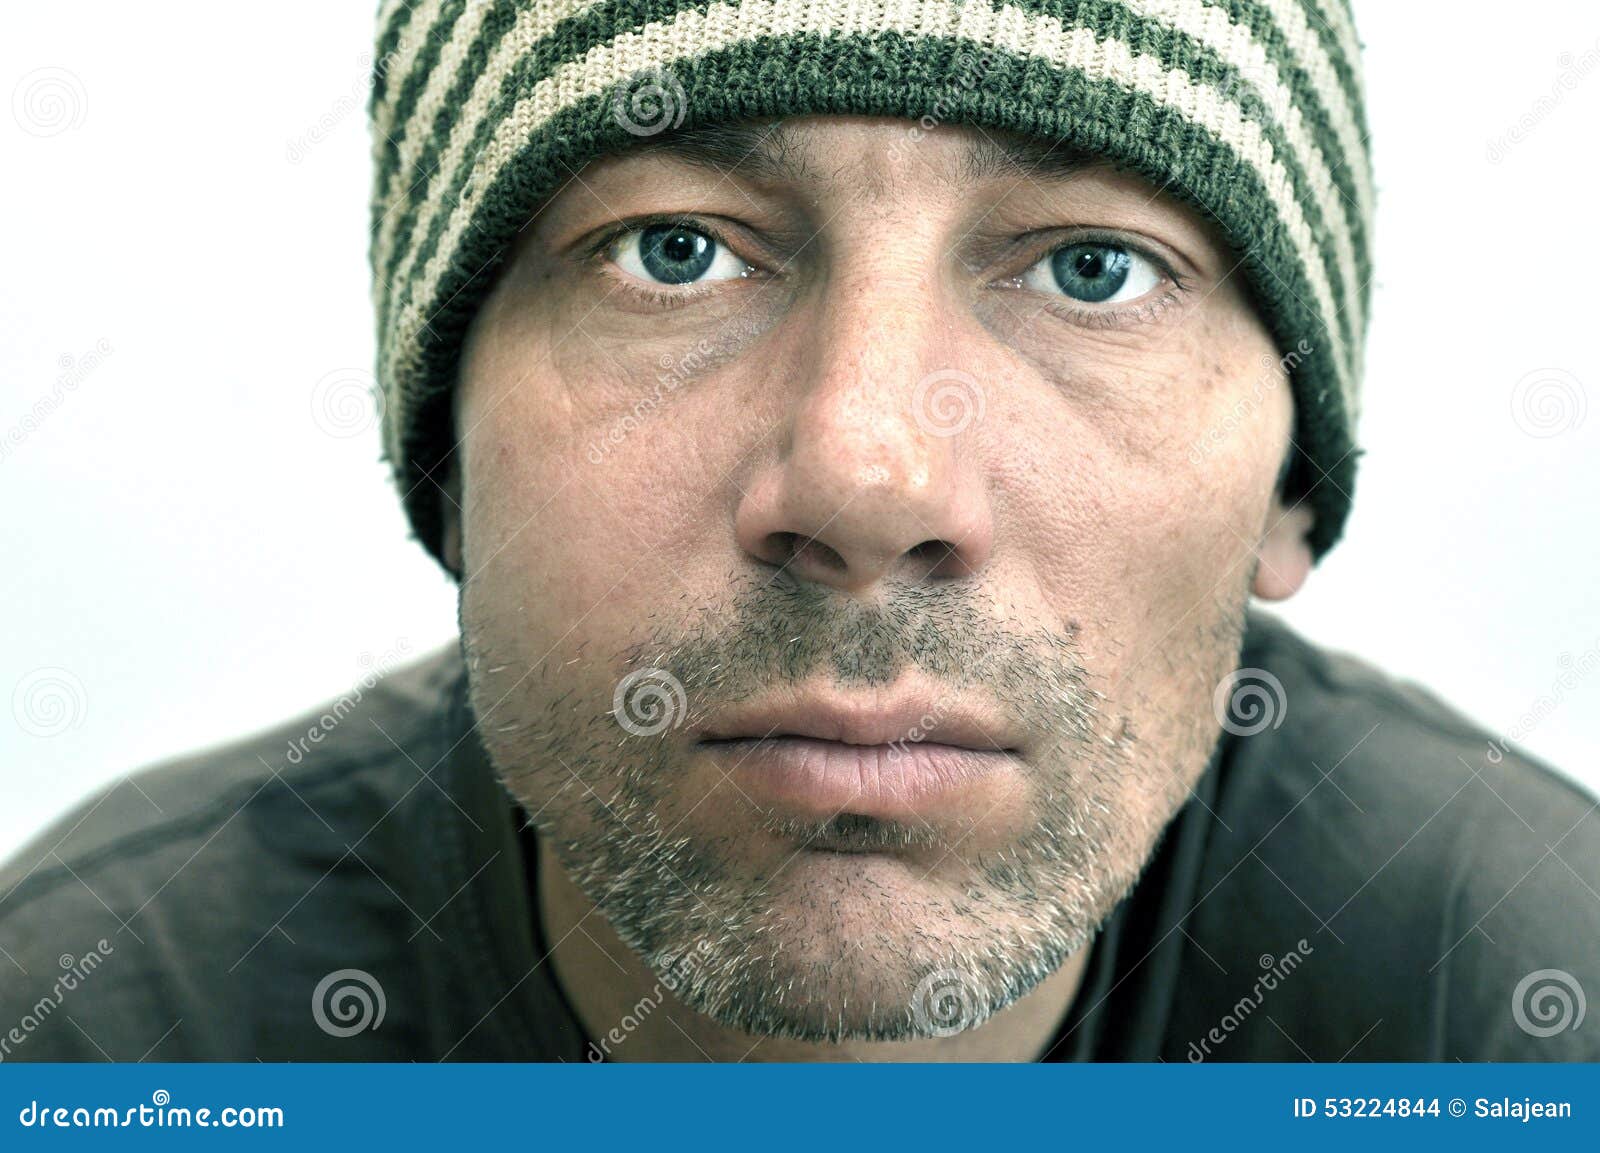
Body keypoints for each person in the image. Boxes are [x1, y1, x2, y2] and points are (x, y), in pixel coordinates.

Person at [3, 0, 1596, 1063]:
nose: (871, 484)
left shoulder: (1530, 1023)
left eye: (1092, 268)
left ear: (1290, 488)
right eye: (674, 250)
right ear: (445, 457)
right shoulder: (100, 1041)